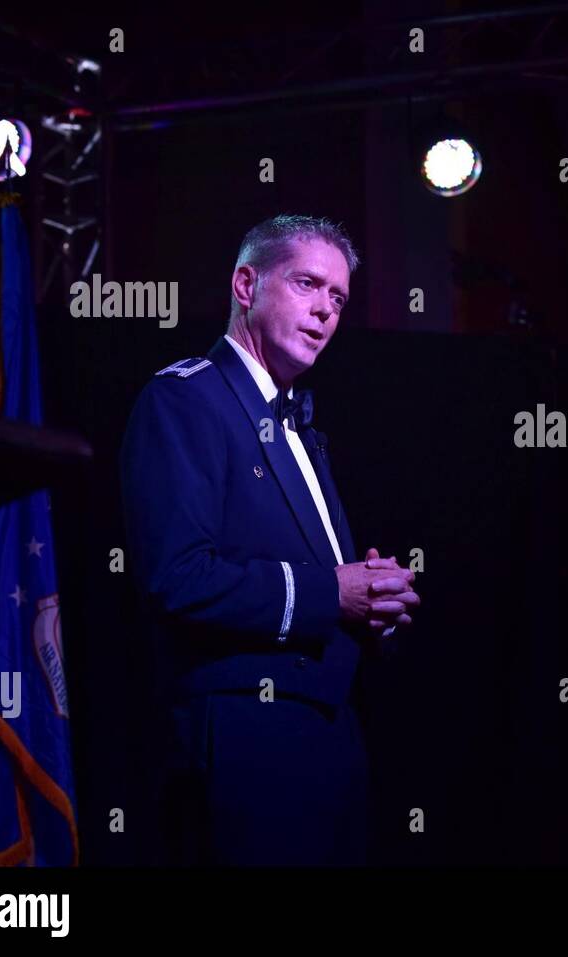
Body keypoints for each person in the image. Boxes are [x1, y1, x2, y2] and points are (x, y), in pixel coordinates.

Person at [119, 214, 419, 865]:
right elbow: (178, 577)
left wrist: (376, 604)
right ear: (246, 283)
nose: (325, 311)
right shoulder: (185, 398)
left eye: (338, 298)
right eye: (308, 284)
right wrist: (335, 591)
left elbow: (330, 593)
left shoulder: (305, 430)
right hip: (245, 736)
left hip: (333, 737)